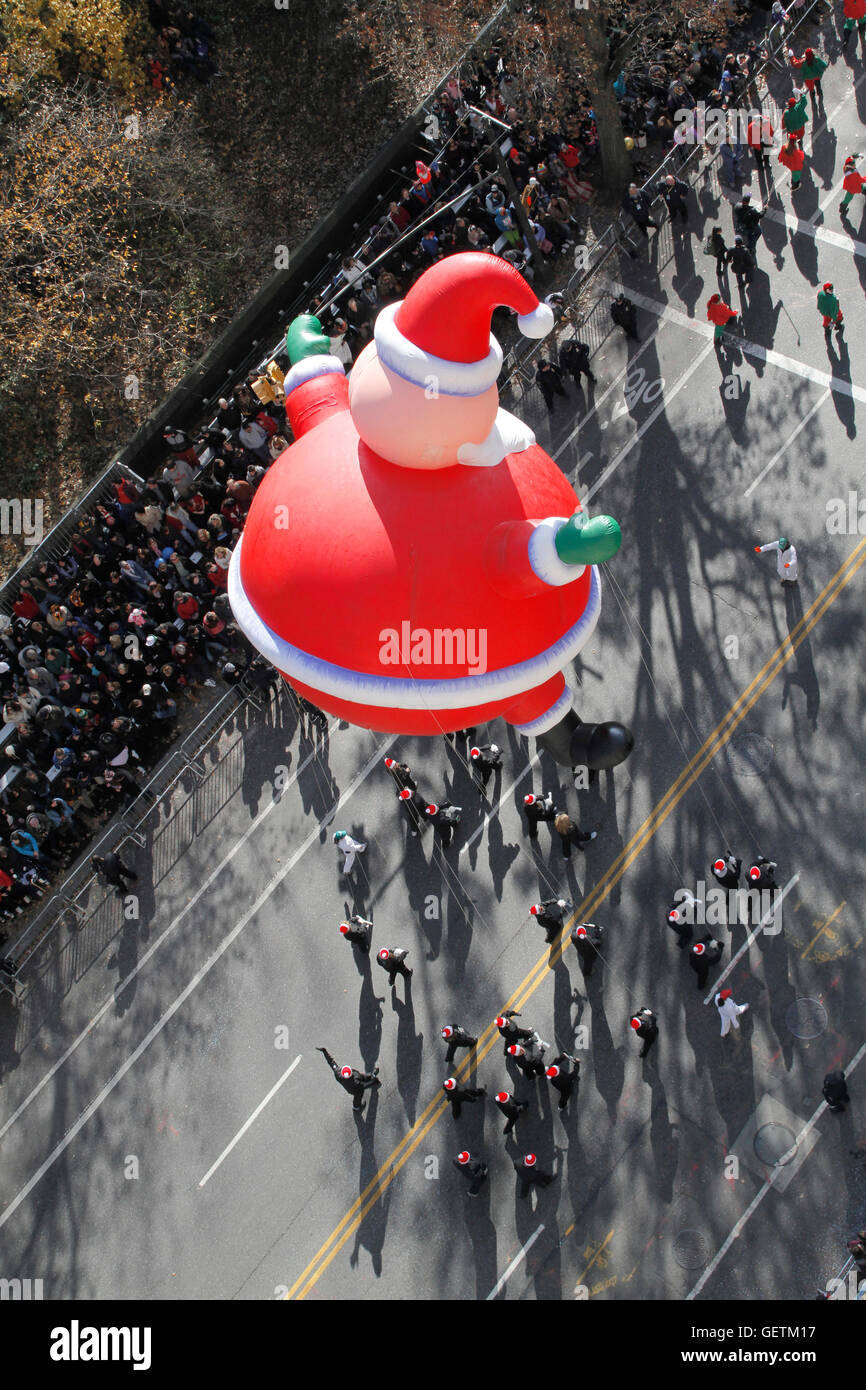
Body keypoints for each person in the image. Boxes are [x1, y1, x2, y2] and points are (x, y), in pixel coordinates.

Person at [316, 1047, 380, 1112]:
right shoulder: (356, 1082)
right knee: (358, 1095)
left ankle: (372, 1075)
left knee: (364, 1077)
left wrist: (325, 1052)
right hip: (355, 1090)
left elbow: (331, 1062)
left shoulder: (338, 1073)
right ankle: (356, 1107)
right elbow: (364, 1086)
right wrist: (373, 1081)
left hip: (356, 1081)